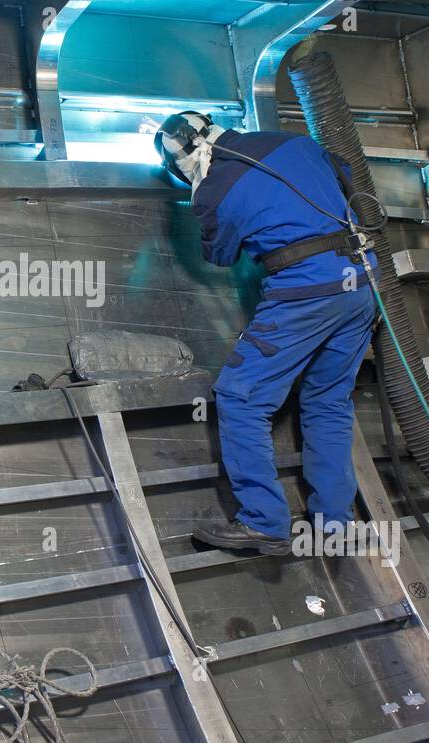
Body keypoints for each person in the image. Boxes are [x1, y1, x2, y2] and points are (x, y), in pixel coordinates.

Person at [155, 111, 377, 556]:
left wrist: (203, 196)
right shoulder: (292, 141)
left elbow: (220, 255)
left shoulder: (214, 188)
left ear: (183, 161)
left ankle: (263, 521)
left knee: (240, 396)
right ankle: (336, 523)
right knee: (328, 400)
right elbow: (347, 178)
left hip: (306, 291)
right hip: (363, 283)